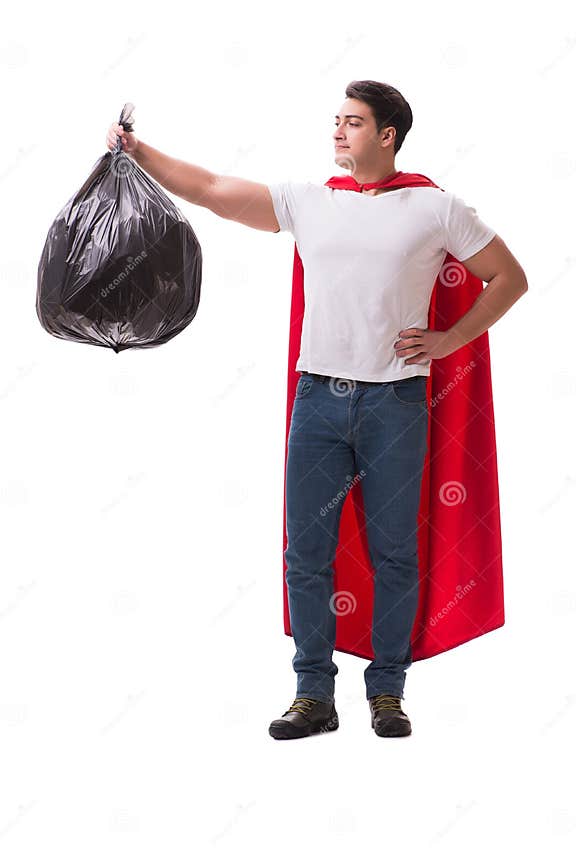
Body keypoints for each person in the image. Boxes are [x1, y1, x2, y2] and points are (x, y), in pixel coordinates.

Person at [106, 80, 528, 741]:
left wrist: (450, 340)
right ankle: (313, 695)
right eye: (337, 120)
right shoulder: (310, 202)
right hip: (318, 402)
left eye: (352, 122)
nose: (337, 130)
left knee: (395, 555)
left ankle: (387, 691)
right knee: (305, 555)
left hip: (396, 401)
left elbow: (510, 277)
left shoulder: (435, 206)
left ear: (387, 135)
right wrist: (140, 152)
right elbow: (213, 189)